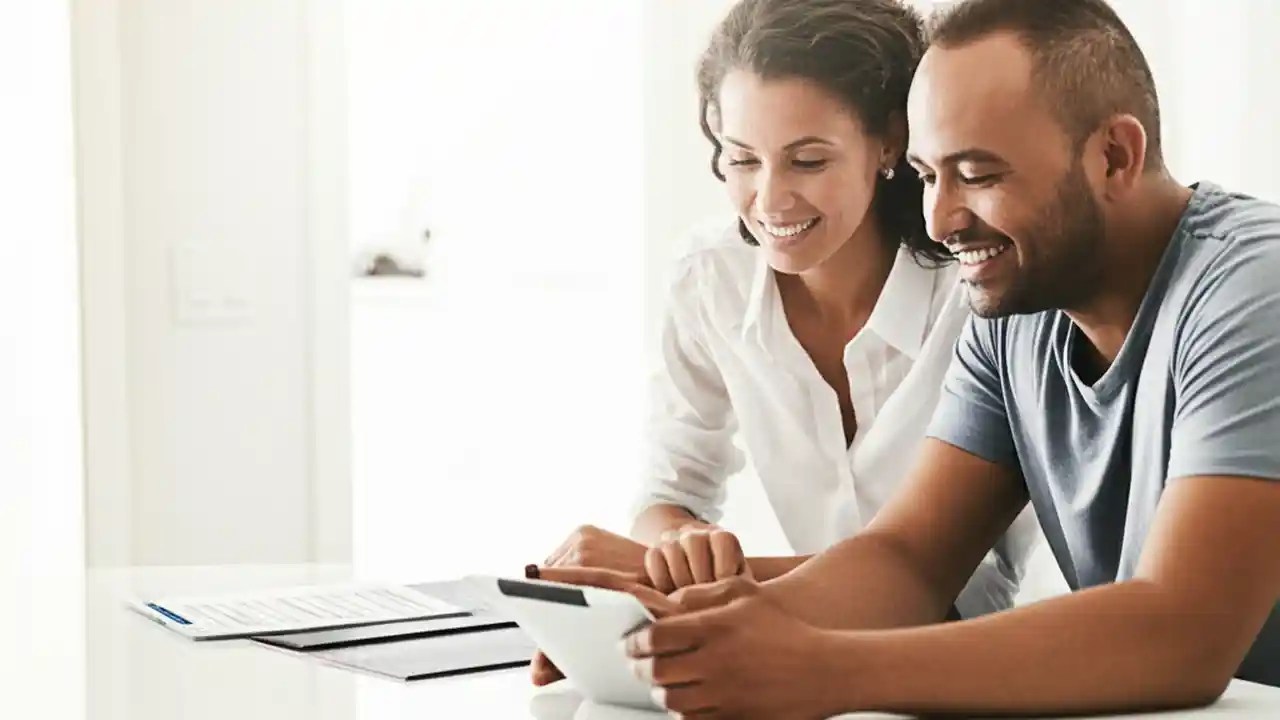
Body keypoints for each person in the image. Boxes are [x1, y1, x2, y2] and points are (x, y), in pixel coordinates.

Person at [536, 0, 1280, 716]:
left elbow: (1184, 627)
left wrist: (821, 669)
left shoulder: (1253, 285)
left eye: (980, 175)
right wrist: (659, 633)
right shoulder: (1016, 305)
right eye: (929, 176)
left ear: (1114, 156)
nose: (940, 218)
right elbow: (909, 561)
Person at [542, 0, 1040, 624]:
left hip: (989, 670)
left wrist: (668, 576)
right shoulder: (711, 279)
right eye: (743, 159)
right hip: (816, 665)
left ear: (888, 141)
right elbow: (672, 491)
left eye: (808, 160)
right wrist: (675, 547)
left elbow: (962, 583)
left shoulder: (979, 292)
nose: (770, 199)